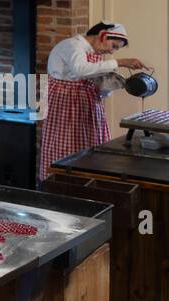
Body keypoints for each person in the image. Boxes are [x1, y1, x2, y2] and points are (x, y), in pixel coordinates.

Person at [39, 21, 150, 183]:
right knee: (67, 152)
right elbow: (80, 69)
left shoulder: (94, 54)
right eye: (113, 45)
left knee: (90, 151)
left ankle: (88, 188)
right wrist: (119, 62)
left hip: (88, 107)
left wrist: (117, 83)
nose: (111, 51)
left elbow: (99, 86)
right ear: (102, 35)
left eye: (116, 49)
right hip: (66, 105)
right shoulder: (72, 46)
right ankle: (61, 188)